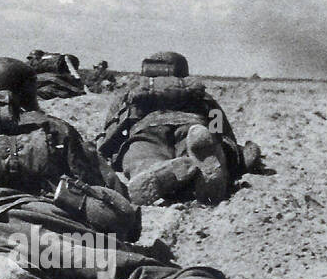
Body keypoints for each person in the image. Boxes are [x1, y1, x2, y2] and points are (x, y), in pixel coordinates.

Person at [0, 57, 283, 279]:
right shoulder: (53, 130)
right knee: (128, 274)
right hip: (54, 234)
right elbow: (112, 200)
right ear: (29, 94)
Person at [96, 51, 261, 206]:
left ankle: (152, 169)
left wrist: (107, 151)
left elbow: (115, 126)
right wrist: (232, 150)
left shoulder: (133, 92)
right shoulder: (199, 93)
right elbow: (219, 125)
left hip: (147, 130)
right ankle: (202, 174)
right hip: (192, 127)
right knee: (199, 149)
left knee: (140, 156)